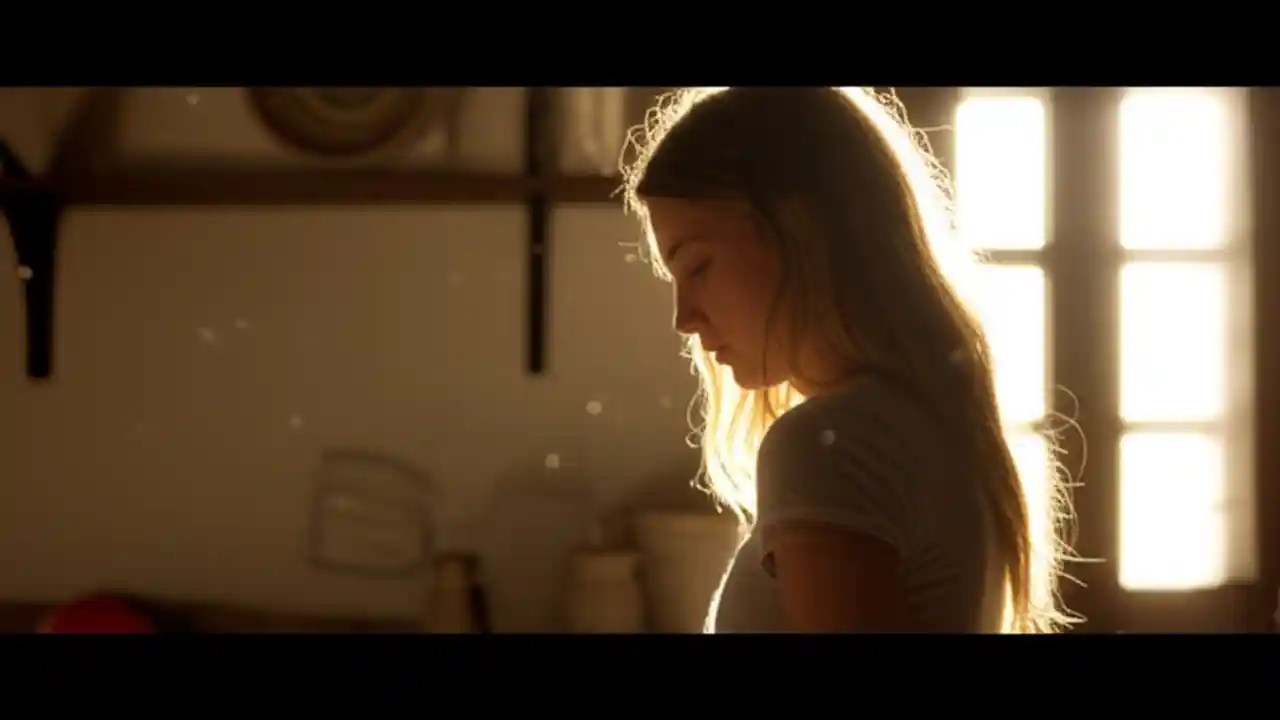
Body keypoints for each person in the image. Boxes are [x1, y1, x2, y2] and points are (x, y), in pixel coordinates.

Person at [619, 87, 1077, 633]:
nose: (684, 318)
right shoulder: (927, 427)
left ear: (800, 230)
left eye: (697, 267)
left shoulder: (828, 445)